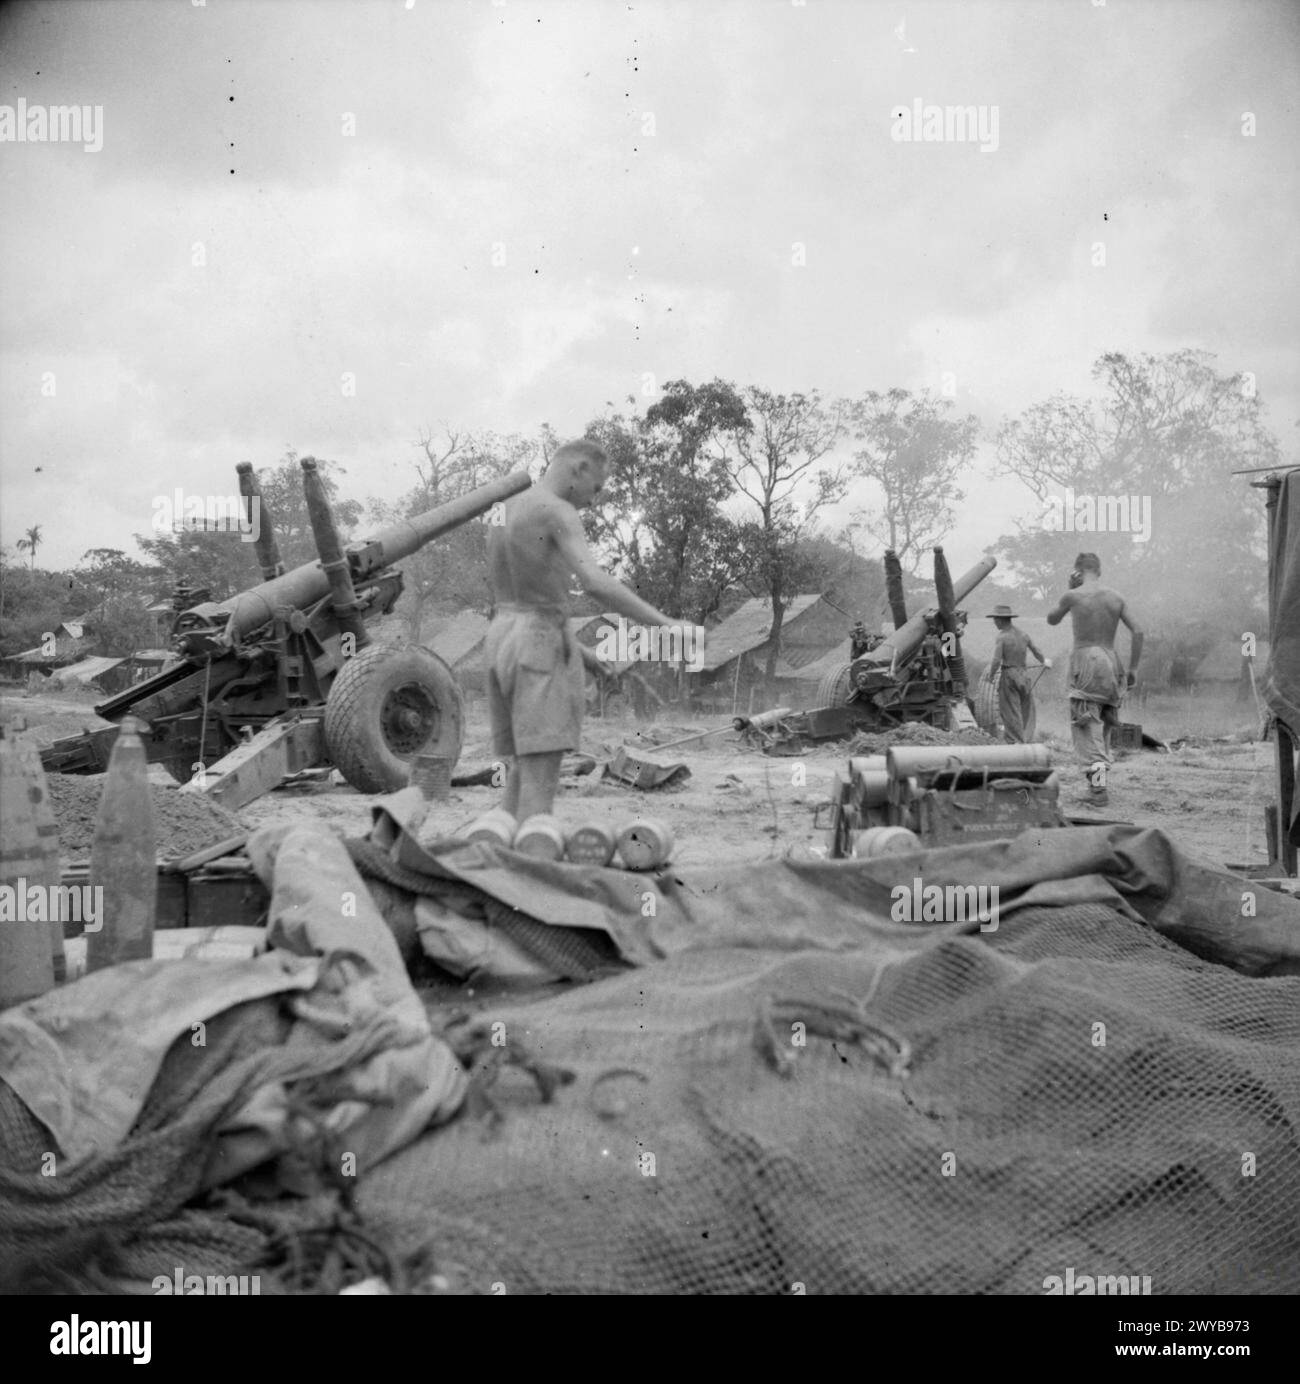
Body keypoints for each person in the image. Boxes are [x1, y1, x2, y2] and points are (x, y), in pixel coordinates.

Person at [484, 439, 679, 829]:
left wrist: (584, 654)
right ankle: (530, 877)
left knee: (518, 777)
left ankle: (497, 870)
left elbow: (524, 599)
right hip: (539, 641)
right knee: (540, 793)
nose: (594, 500)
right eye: (598, 487)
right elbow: (592, 581)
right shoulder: (558, 511)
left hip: (501, 638)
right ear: (579, 468)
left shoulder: (502, 512)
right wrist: (667, 625)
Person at [1045, 552, 1144, 805]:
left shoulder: (1073, 595)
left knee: (1087, 727)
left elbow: (1051, 619)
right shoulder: (1116, 597)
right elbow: (1139, 631)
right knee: (1105, 724)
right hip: (1112, 661)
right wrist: (1133, 669)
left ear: (1077, 570)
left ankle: (1098, 791)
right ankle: (1098, 784)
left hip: (1086, 660)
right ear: (1099, 571)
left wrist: (1070, 589)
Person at [986, 604, 1050, 743]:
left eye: (995, 619)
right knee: (1025, 709)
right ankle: (1025, 737)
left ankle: (1015, 741)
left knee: (1010, 711)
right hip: (1024, 675)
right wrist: (1044, 661)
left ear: (1001, 620)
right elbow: (1036, 650)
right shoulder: (1023, 635)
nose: (994, 622)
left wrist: (990, 675)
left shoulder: (1002, 637)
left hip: (1009, 675)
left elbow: (996, 660)